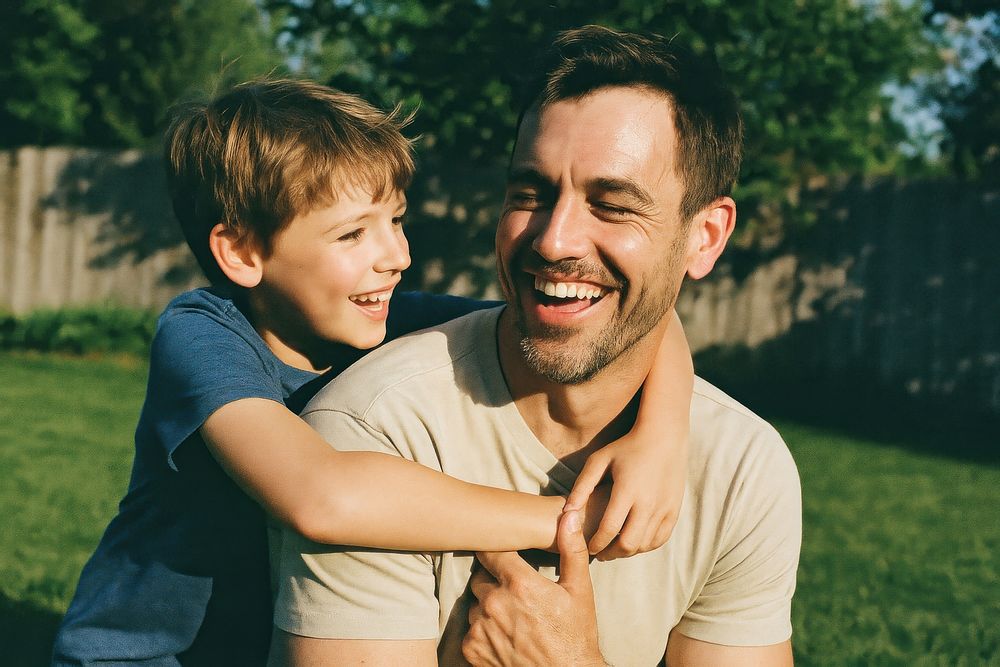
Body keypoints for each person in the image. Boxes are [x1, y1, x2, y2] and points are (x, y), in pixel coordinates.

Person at [51, 78, 694, 666]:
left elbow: (627, 314)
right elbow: (320, 496)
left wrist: (661, 438)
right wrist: (564, 519)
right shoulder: (204, 336)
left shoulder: (388, 320)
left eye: (395, 220)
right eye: (352, 234)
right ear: (242, 252)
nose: (397, 256)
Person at [270, 25, 801, 666]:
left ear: (706, 236)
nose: (554, 241)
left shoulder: (742, 469)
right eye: (531, 195)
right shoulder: (378, 431)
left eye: (612, 205)